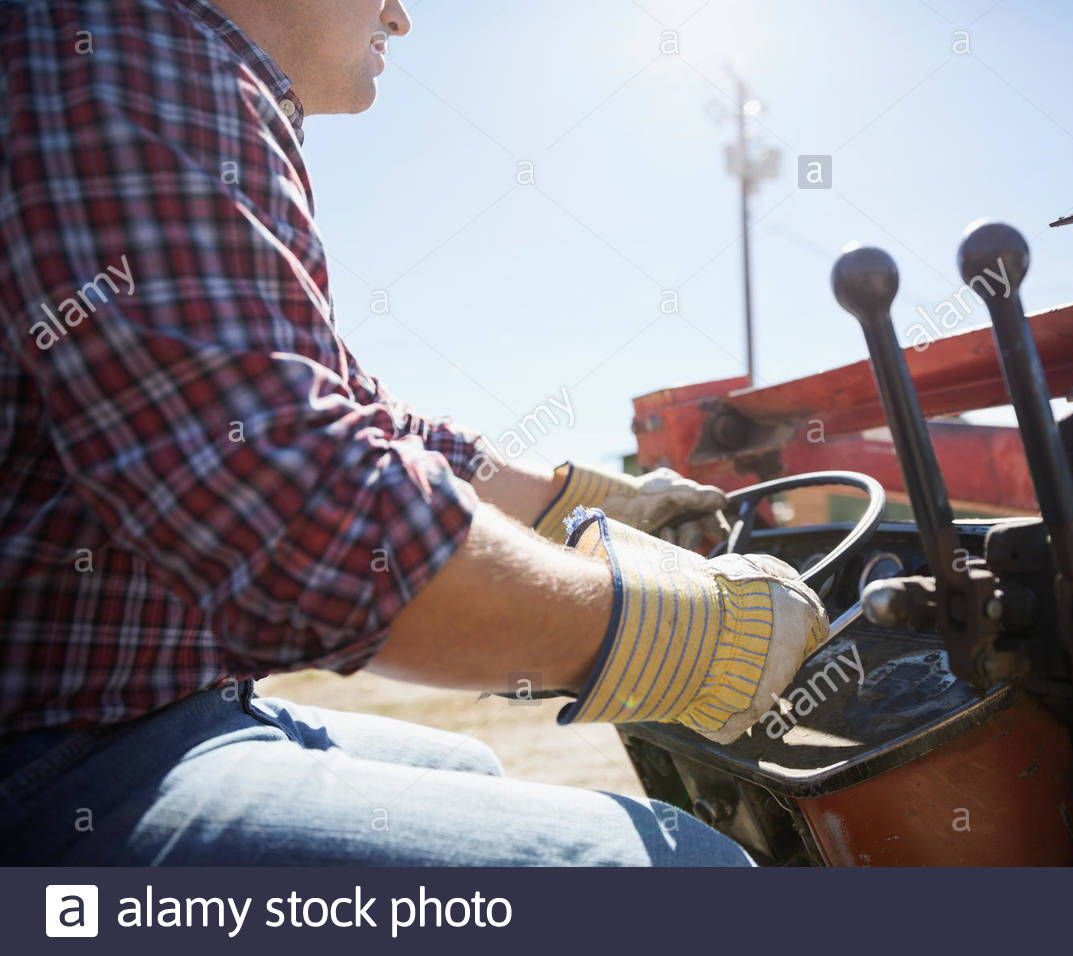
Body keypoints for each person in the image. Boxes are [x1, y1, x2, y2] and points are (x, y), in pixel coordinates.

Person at [0, 0, 829, 866]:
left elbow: (368, 421)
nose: (400, 18)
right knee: (687, 876)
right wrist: (681, 638)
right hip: (52, 760)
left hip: (144, 713)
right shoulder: (130, 58)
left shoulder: (172, 76)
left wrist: (590, 503)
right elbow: (293, 499)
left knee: (467, 760)